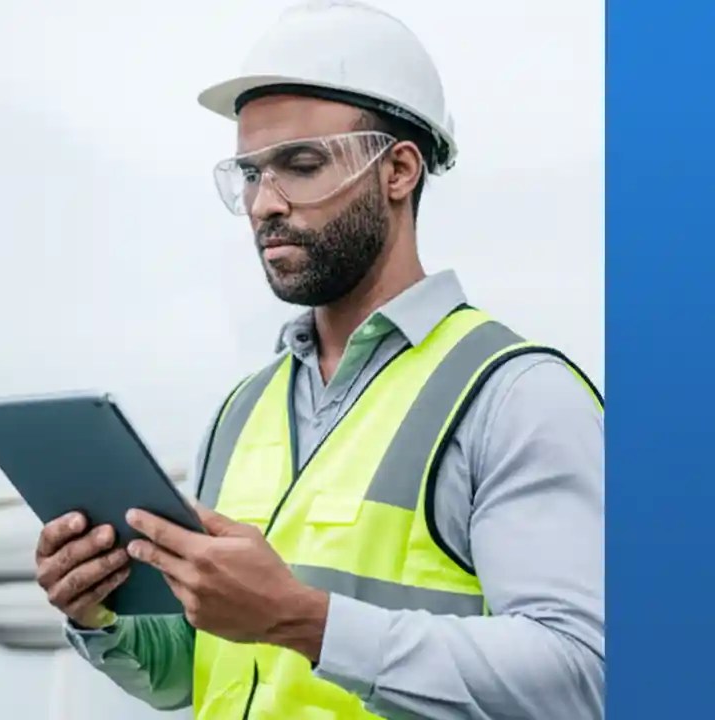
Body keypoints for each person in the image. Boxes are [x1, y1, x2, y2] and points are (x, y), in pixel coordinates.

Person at [31, 1, 604, 718]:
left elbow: (581, 681)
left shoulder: (516, 397)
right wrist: (99, 613)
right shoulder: (244, 410)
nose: (264, 203)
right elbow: (194, 672)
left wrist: (304, 620)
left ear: (398, 170)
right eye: (249, 173)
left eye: (299, 165)